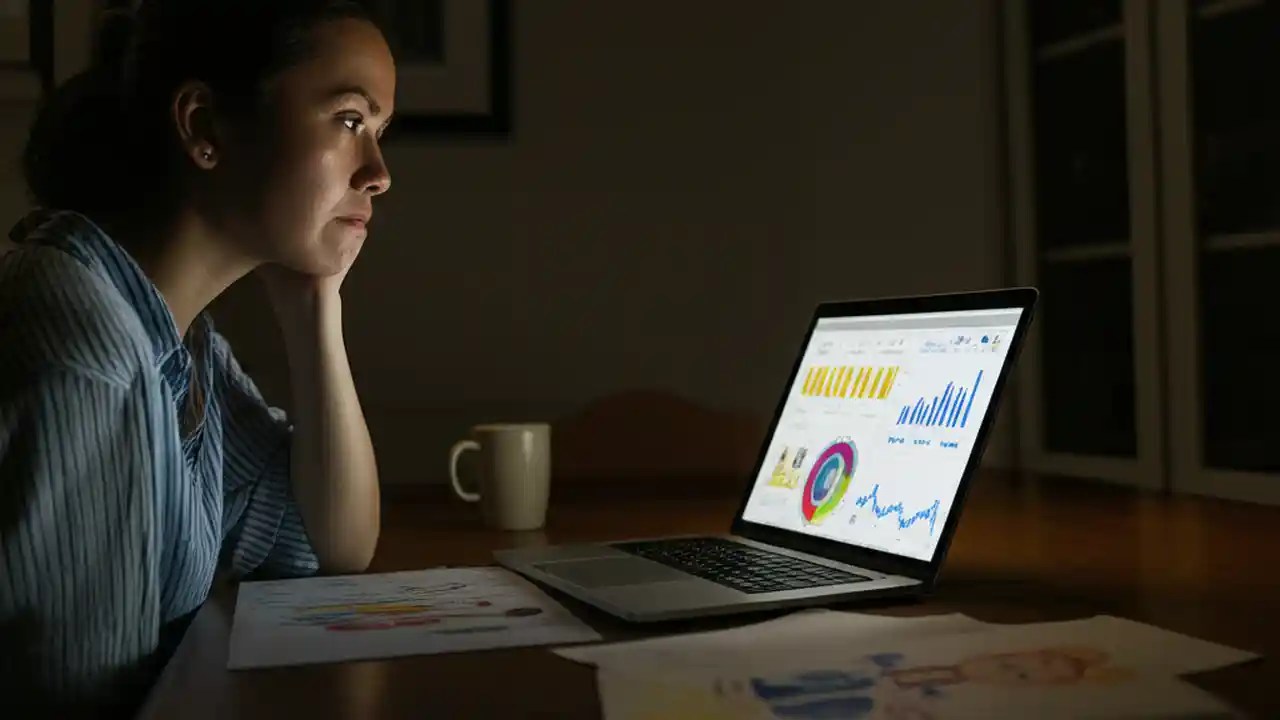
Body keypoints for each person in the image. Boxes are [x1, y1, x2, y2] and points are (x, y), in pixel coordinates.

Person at [0, 0, 393, 715]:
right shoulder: (90, 346)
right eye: (348, 120)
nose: (378, 172)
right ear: (204, 126)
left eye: (379, 132)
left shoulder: (178, 341)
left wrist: (315, 311)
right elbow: (80, 702)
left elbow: (327, 540)